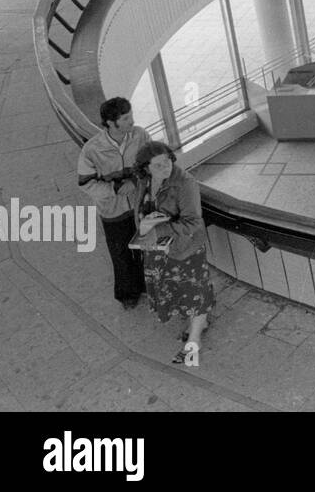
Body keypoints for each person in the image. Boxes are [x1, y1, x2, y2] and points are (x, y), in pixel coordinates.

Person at [132, 142, 214, 365]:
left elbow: (194, 222)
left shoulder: (185, 183)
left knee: (193, 291)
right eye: (157, 165)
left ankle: (194, 340)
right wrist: (144, 228)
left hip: (183, 248)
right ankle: (200, 323)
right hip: (158, 249)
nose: (165, 167)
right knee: (178, 291)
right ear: (146, 168)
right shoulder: (145, 181)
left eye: (167, 161)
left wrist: (158, 229)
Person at [77, 97, 149, 309]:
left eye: (131, 116)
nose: (132, 121)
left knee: (144, 247)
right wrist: (116, 189)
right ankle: (128, 294)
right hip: (113, 212)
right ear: (110, 122)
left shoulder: (140, 135)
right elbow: (86, 184)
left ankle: (146, 284)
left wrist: (135, 180)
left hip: (138, 206)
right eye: (125, 118)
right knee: (121, 253)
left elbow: (150, 163)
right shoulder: (92, 150)